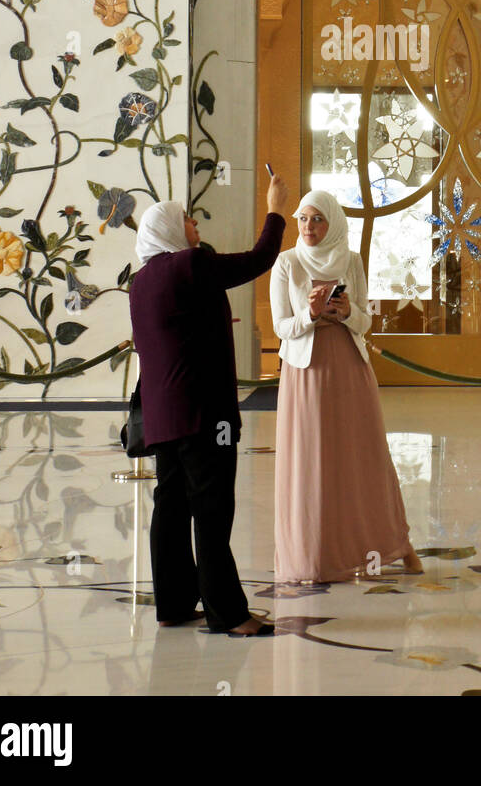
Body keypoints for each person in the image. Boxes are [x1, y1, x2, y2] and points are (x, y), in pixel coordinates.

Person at [129, 176, 289, 634]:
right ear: (170, 231)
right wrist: (275, 209)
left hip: (164, 418)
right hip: (204, 416)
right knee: (213, 508)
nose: (194, 222)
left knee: (172, 506)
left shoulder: (142, 281)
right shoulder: (190, 265)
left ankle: (175, 605)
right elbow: (259, 259)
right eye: (186, 218)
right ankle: (229, 613)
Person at [270, 189, 423, 583]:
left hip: (349, 367)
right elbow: (281, 327)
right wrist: (309, 313)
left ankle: (395, 544)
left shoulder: (351, 260)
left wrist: (346, 311)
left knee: (364, 457)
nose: (309, 227)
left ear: (333, 223)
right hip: (306, 373)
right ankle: (312, 558)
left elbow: (366, 322)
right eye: (303, 219)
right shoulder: (286, 263)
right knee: (312, 462)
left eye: (317, 219)